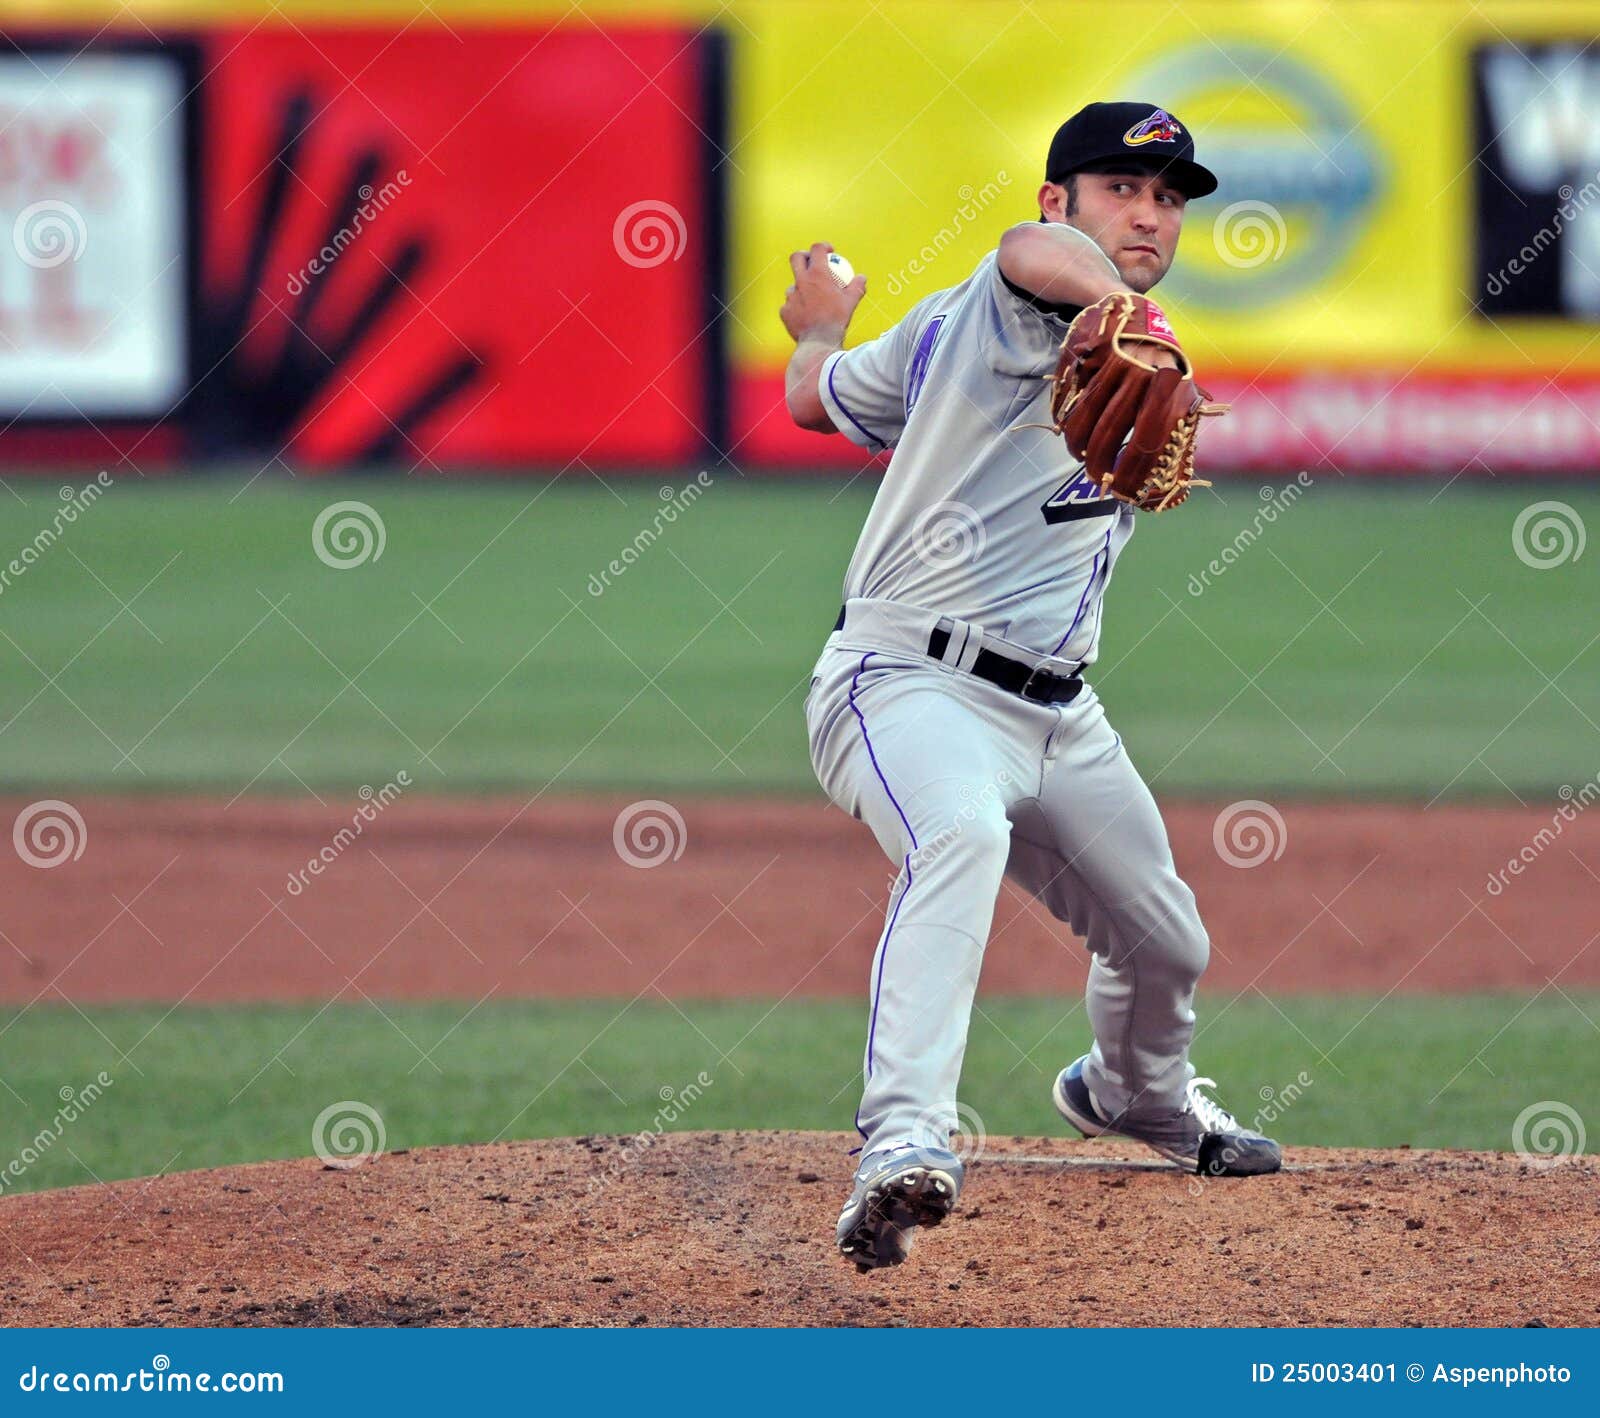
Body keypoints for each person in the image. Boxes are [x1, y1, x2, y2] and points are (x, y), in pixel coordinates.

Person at [779, 103, 1282, 1272]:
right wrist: (1115, 298)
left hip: (1059, 712)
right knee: (956, 832)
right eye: (1119, 189)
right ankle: (903, 1143)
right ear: (1060, 201)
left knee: (1165, 943)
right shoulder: (1020, 288)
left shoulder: (954, 337)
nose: (1148, 212)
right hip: (907, 680)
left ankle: (1132, 1093)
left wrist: (821, 330)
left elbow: (818, 397)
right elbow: (1021, 252)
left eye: (1167, 197)